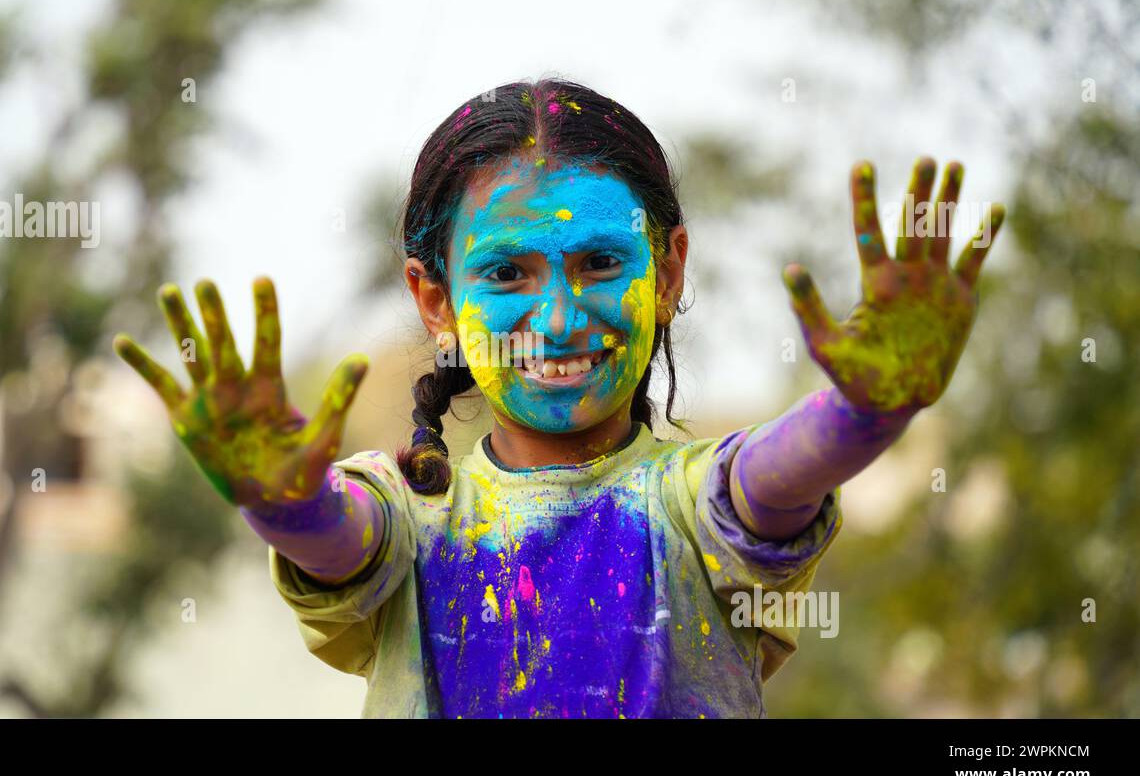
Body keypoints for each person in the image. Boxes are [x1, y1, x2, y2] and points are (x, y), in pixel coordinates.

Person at [113, 78, 1004, 718]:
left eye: (600, 263)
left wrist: (865, 416)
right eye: (507, 271)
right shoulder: (410, 516)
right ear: (435, 300)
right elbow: (338, 540)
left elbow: (773, 481)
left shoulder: (695, 509)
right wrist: (285, 498)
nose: (558, 313)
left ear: (669, 272)